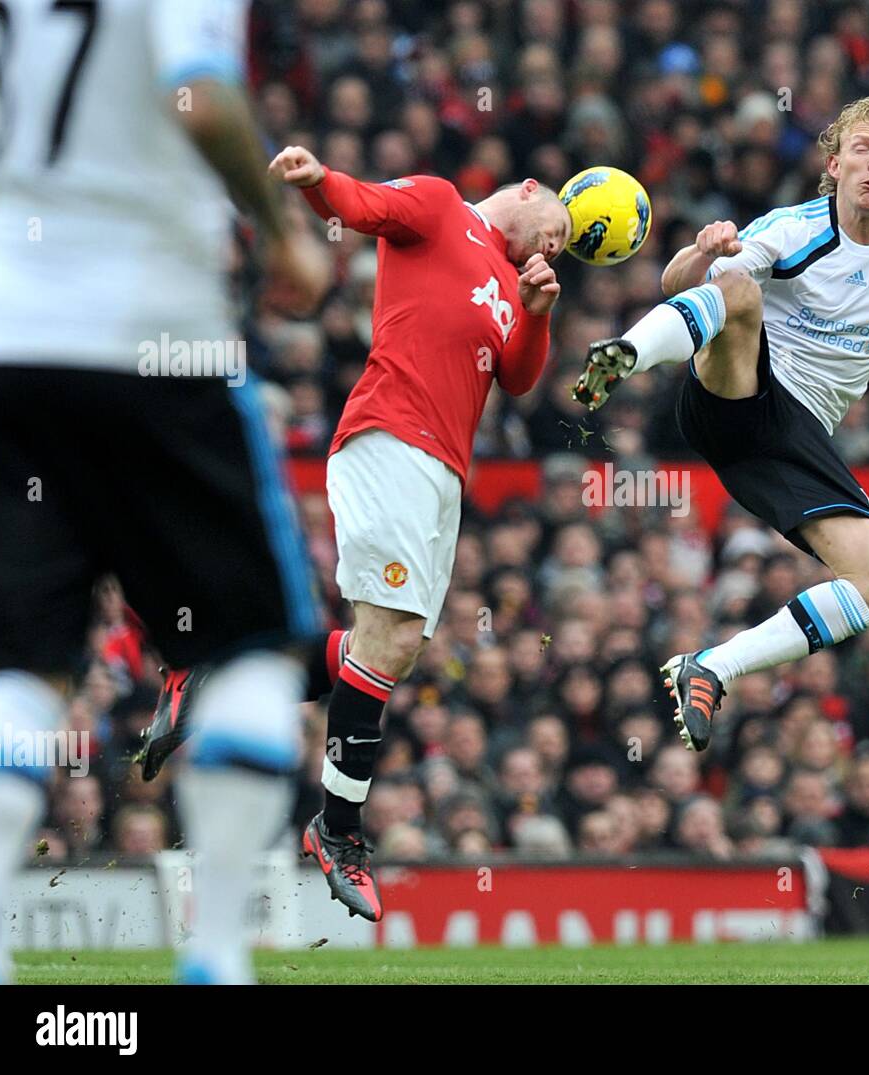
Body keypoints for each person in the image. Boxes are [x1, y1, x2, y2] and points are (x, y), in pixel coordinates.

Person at [0, 0, 328, 984]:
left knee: (16, 662)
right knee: (253, 648)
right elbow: (199, 99)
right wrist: (282, 231)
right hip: (149, 332)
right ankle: (217, 949)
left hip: (4, 340)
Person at [144, 143, 568, 922]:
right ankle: (336, 828)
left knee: (388, 647)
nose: (555, 245)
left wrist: (538, 312)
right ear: (531, 189)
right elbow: (366, 205)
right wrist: (317, 184)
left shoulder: (512, 281)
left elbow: (515, 376)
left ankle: (211, 669)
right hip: (390, 436)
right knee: (390, 638)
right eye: (561, 228)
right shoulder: (443, 206)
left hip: (444, 470)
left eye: (565, 250)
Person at [572, 95, 869, 751]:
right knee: (737, 290)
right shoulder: (793, 227)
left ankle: (713, 666)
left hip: (789, 443)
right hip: (735, 392)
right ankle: (627, 354)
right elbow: (681, 283)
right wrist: (699, 254)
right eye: (862, 150)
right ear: (834, 164)